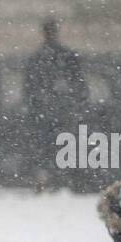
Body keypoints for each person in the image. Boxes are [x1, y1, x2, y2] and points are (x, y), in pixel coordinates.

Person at [24, 18, 87, 184]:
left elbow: (29, 87)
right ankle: (63, 177)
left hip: (45, 112)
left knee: (45, 147)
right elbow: (80, 85)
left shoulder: (38, 57)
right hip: (63, 111)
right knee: (64, 146)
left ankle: (47, 177)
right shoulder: (66, 56)